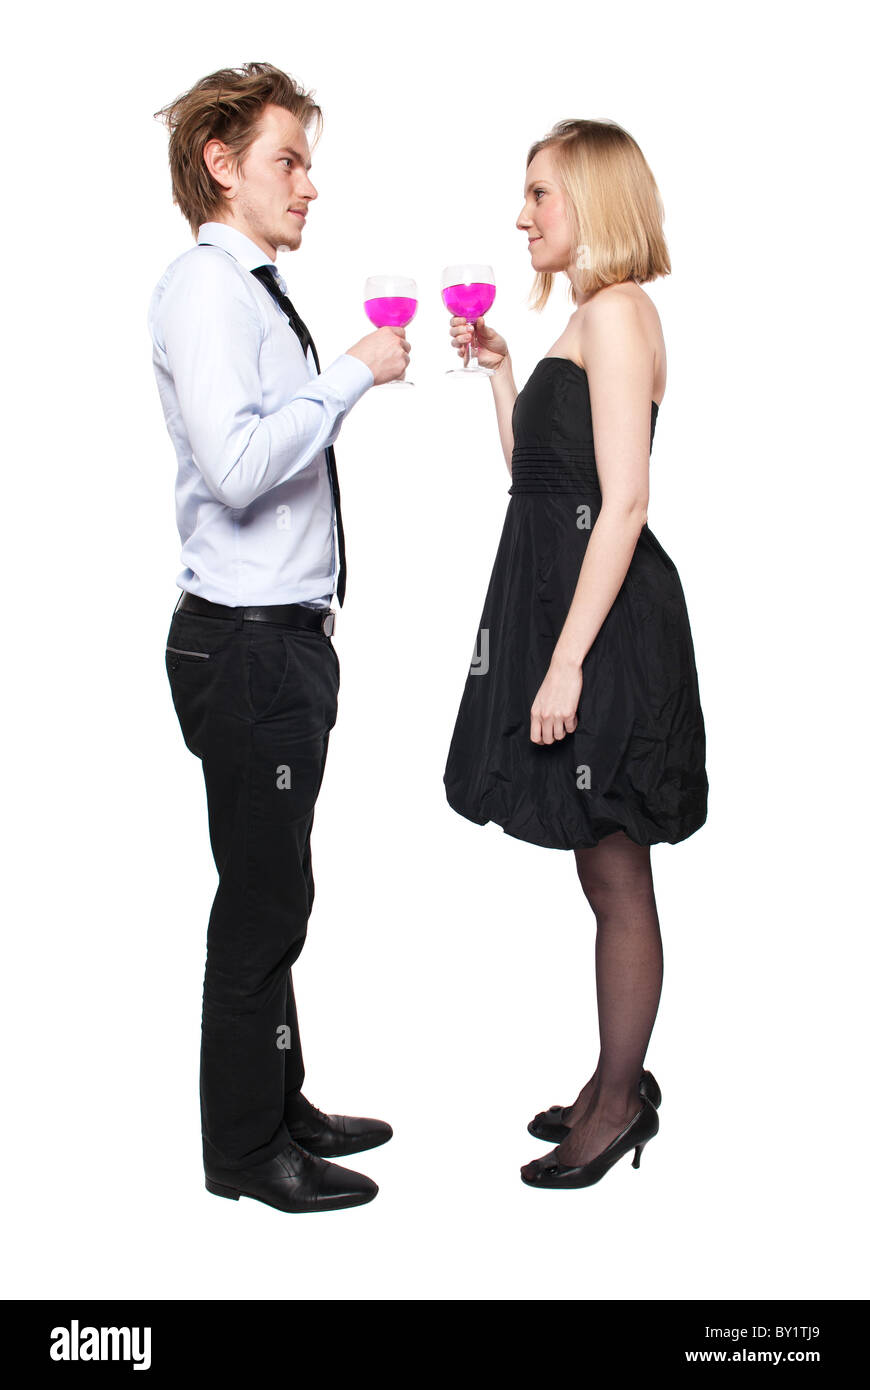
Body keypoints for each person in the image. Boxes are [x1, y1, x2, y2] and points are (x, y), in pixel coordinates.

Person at [148, 62, 409, 1213]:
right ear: (222, 164)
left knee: (270, 882)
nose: (310, 187)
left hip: (273, 643)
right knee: (263, 902)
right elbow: (240, 468)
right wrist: (353, 370)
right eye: (286, 162)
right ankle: (245, 1153)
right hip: (250, 648)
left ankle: (277, 1097)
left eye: (309, 163)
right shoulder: (207, 290)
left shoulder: (249, 292)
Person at [443, 119, 708, 1190]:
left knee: (615, 865)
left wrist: (565, 664)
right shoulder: (584, 324)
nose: (521, 216)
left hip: (605, 629)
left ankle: (618, 1100)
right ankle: (614, 1080)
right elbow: (546, 482)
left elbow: (628, 500)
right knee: (600, 867)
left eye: (540, 194)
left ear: (591, 204)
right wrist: (506, 375)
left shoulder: (620, 311)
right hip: (573, 610)